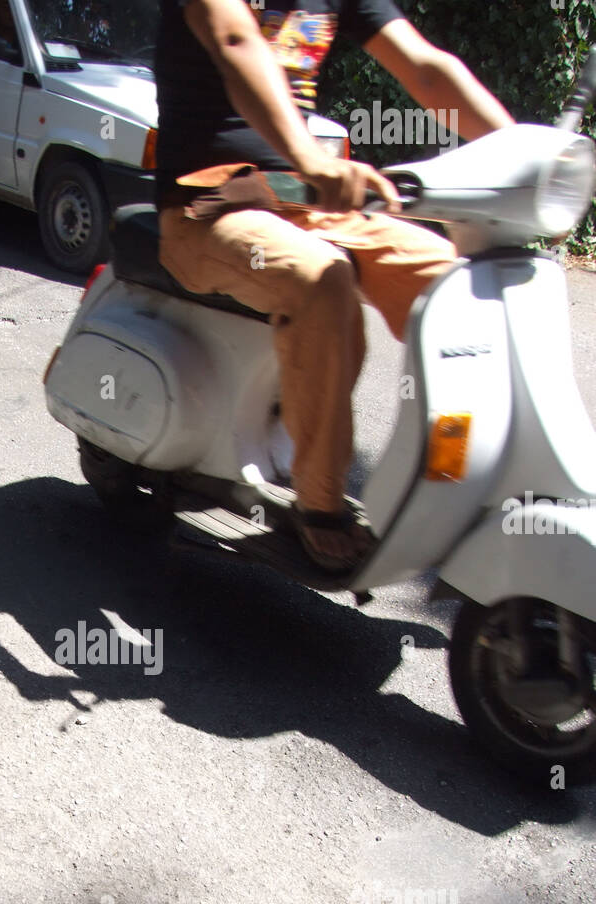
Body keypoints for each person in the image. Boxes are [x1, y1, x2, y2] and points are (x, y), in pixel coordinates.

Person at [155, 0, 515, 570]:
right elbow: (234, 40)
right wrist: (308, 157)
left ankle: (456, 470)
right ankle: (319, 504)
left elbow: (424, 66)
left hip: (297, 200)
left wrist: (518, 153)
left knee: (452, 282)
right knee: (324, 278)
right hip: (204, 207)